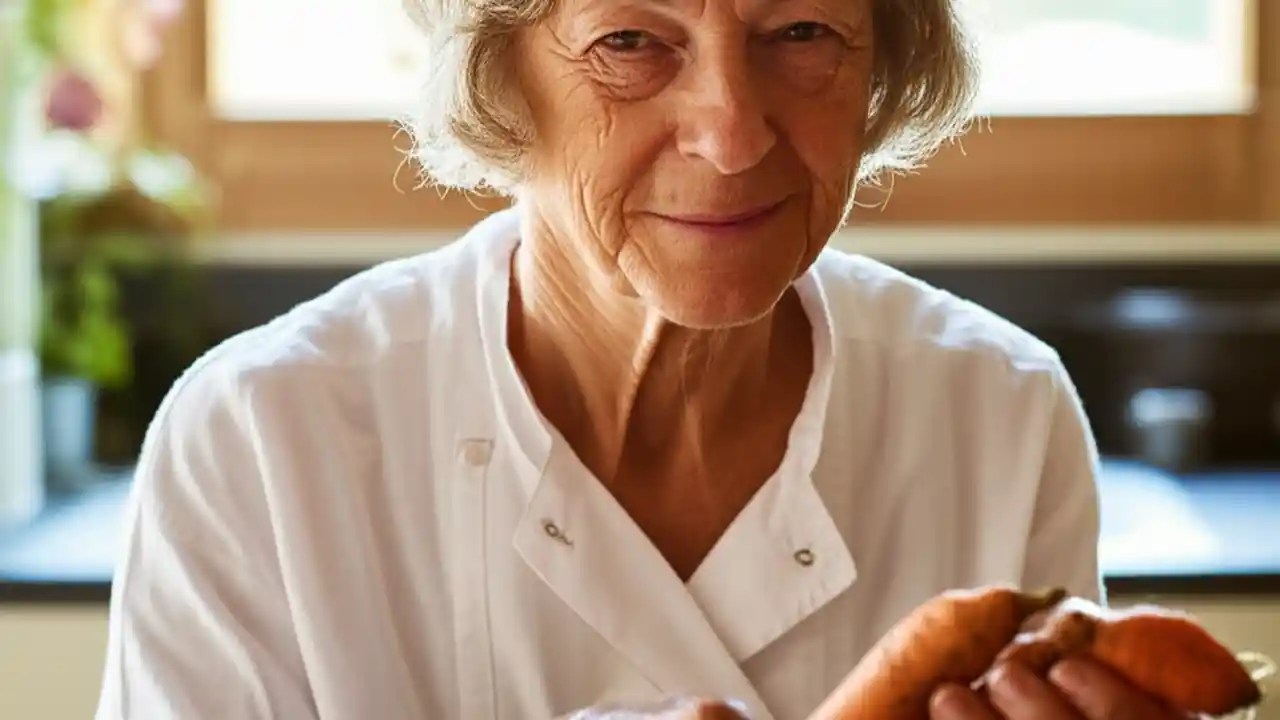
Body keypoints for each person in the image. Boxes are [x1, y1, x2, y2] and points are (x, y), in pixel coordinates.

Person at [94, 0, 1182, 718]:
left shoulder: (996, 409)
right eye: (629, 41)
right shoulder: (257, 437)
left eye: (800, 29)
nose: (730, 134)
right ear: (498, 75)